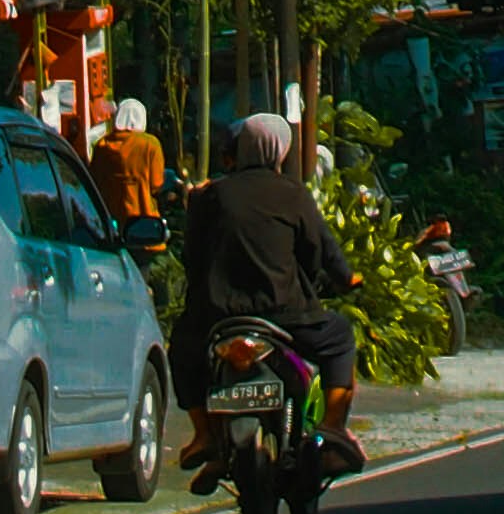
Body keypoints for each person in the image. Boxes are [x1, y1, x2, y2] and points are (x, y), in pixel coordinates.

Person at [169, 108, 363, 484]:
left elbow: (190, 257)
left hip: (215, 319)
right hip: (286, 316)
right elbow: (321, 251)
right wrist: (345, 279)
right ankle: (334, 427)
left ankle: (204, 433)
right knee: (339, 339)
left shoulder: (209, 196)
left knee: (182, 348)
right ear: (280, 151)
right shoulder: (292, 194)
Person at [91, 94, 166, 227]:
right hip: (144, 222)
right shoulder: (150, 144)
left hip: (109, 223)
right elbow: (156, 184)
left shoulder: (102, 145)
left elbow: (94, 181)